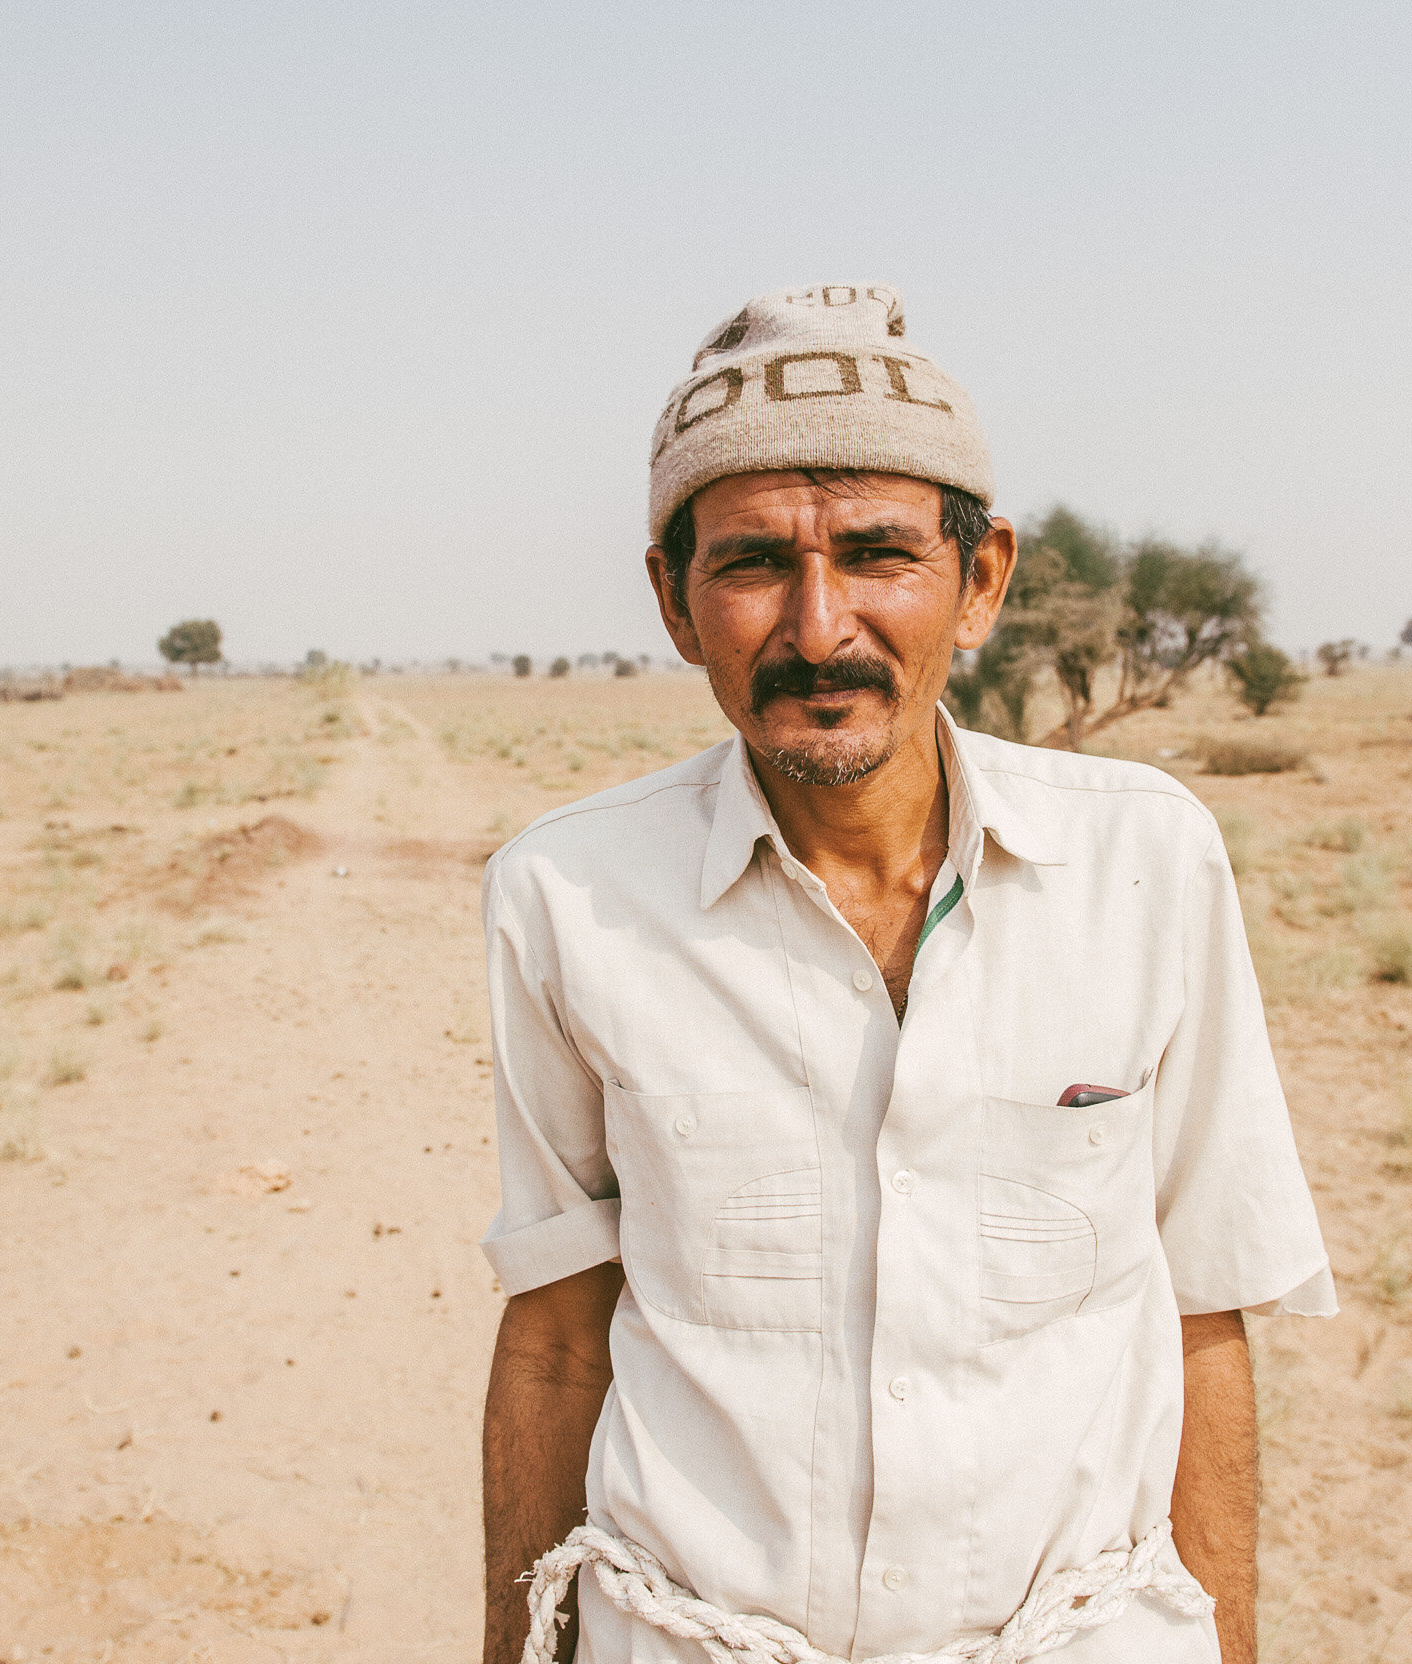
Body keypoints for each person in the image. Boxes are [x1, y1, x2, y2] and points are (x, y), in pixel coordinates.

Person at [478, 284, 1333, 1664]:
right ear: (673, 602)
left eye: (880, 554)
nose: (821, 629)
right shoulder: (565, 897)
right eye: (753, 563)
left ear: (981, 579)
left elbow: (1203, 1312)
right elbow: (561, 1334)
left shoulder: (1148, 860)